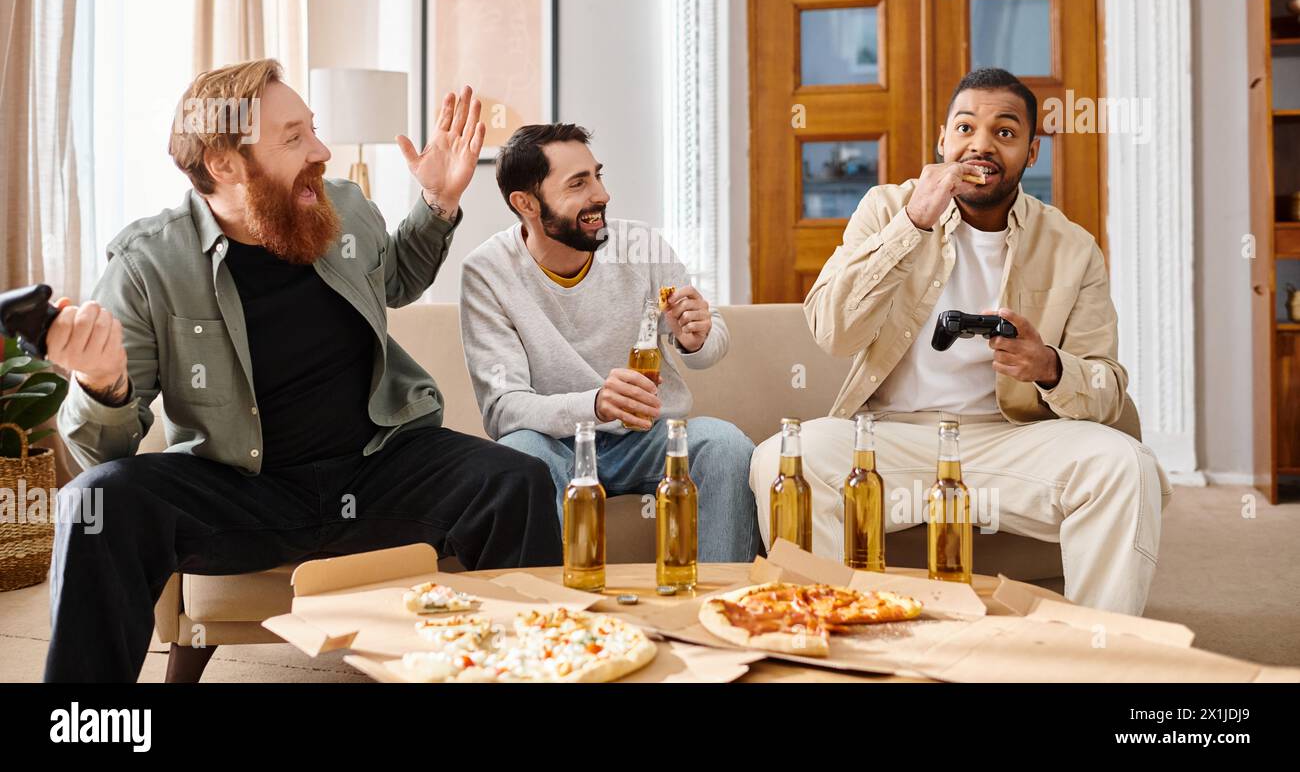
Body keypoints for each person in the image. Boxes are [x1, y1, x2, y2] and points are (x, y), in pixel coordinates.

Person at [45, 58, 561, 682]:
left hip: (377, 466)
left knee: (517, 481)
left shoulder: (340, 206)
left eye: (311, 129)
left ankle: (536, 673)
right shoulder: (147, 262)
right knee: (95, 501)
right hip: (242, 487)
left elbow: (395, 279)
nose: (320, 150)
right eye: (293, 138)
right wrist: (102, 385)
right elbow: (103, 449)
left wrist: (437, 202)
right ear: (225, 164)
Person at [748, 67, 1173, 615]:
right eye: (966, 127)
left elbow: (1108, 388)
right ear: (943, 140)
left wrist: (1048, 365)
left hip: (1010, 439)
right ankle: (827, 635)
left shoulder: (1073, 246)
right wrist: (913, 224)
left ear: (1031, 151)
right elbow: (831, 330)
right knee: (787, 459)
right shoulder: (885, 208)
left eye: (1005, 132)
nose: (982, 144)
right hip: (890, 436)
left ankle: (1095, 652)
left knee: (1125, 464)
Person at [459, 123, 761, 561]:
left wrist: (697, 336)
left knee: (726, 445)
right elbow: (503, 409)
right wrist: (595, 404)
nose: (601, 194)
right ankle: (555, 616)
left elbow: (707, 346)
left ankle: (720, 608)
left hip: (648, 438)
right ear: (525, 203)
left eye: (597, 176)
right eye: (578, 184)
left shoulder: (641, 246)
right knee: (520, 454)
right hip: (554, 442)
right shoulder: (488, 272)